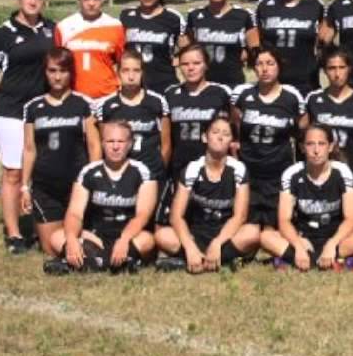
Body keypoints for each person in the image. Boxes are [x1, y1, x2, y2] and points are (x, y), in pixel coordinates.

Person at [0, 0, 55, 254]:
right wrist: (5, 95)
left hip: (44, 113)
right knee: (14, 173)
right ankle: (13, 234)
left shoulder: (51, 29)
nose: (33, 1)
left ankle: (40, 225)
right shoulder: (2, 34)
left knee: (41, 171)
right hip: (11, 113)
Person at [43, 120, 157, 275]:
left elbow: (142, 215)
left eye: (120, 141)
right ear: (102, 143)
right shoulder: (88, 172)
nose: (115, 146)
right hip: (95, 237)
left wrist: (124, 240)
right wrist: (71, 240)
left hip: (129, 236)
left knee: (148, 240)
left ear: (130, 144)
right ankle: (116, 264)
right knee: (57, 237)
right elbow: (75, 213)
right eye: (110, 141)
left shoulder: (142, 172)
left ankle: (86, 263)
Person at [21, 47, 100, 257]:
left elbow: (93, 145)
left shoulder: (83, 104)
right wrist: (24, 186)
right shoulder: (33, 107)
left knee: (73, 237)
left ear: (71, 73)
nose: (57, 76)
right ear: (45, 72)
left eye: (63, 71)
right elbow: (29, 148)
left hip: (76, 184)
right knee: (50, 249)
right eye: (52, 70)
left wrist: (94, 179)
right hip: (45, 186)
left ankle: (91, 249)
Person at [154, 115, 261, 273]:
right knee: (162, 235)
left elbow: (240, 216)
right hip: (197, 233)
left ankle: (194, 261)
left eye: (226, 134)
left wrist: (218, 243)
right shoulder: (192, 169)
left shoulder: (239, 169)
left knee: (252, 233)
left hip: (226, 234)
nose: (220, 137)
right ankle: (214, 259)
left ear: (231, 141)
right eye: (215, 132)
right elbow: (176, 216)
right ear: (205, 137)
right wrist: (190, 246)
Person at [263, 123, 353, 272]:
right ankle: (335, 262)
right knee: (266, 237)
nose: (316, 150)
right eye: (310, 144)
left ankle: (295, 260)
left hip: (335, 237)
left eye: (321, 144)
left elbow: (350, 218)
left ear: (330, 147)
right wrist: (298, 246)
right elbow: (284, 220)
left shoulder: (343, 172)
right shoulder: (291, 174)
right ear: (302, 147)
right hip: (304, 238)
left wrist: (332, 244)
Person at [303, 47, 353, 233]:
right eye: (331, 68)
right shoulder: (313, 100)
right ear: (325, 71)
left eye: (341, 67)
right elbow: (304, 136)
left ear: (349, 69)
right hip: (323, 172)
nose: (337, 73)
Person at [230, 48, 304, 232]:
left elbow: (301, 132)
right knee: (248, 228)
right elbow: (234, 127)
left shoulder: (292, 97)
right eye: (259, 64)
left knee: (275, 227)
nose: (265, 69)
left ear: (279, 66)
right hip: (249, 170)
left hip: (278, 171)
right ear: (253, 68)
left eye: (270, 63)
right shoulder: (241, 94)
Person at [95, 49, 171, 226]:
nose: (131, 76)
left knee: (154, 228)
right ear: (118, 72)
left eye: (136, 71)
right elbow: (103, 143)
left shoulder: (157, 102)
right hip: (120, 173)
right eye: (125, 70)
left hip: (151, 171)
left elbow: (166, 144)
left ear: (142, 73)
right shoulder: (106, 106)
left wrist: (159, 169)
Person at [254, 0, 327, 96]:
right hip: (273, 85)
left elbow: (322, 45)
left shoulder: (315, 6)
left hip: (306, 84)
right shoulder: (263, 6)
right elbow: (256, 47)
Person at [163, 45, 234, 189]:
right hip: (180, 166)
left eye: (196, 63)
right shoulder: (170, 94)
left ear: (206, 65)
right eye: (185, 64)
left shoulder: (221, 93)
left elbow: (231, 132)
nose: (190, 68)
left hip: (212, 165)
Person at [179, 0, 257, 88]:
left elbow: (256, 53)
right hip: (203, 87)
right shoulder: (194, 17)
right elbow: (186, 53)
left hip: (233, 86)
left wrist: (245, 53)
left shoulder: (243, 16)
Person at [54, 0, 124, 99]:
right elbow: (57, 66)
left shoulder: (115, 26)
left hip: (107, 98)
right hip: (74, 99)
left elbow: (122, 64)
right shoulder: (63, 27)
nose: (91, 3)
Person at [119, 0, 185, 95]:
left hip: (165, 88)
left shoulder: (173, 18)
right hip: (134, 89)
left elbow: (189, 49)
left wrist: (178, 58)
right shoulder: (126, 16)